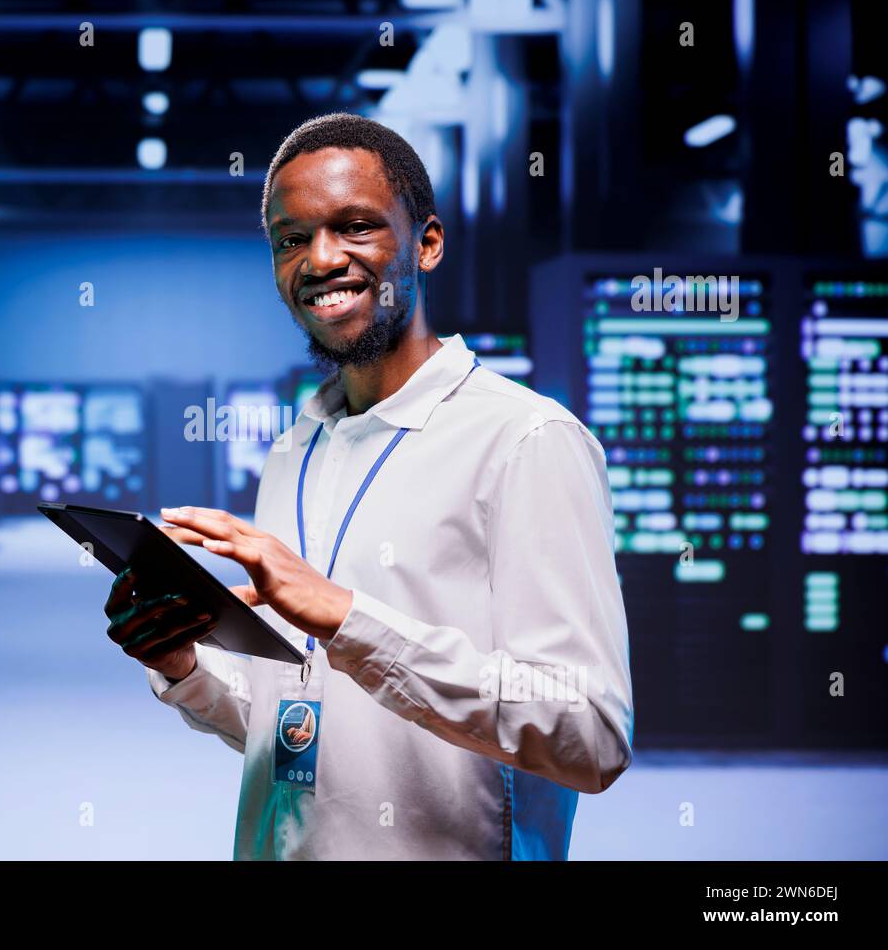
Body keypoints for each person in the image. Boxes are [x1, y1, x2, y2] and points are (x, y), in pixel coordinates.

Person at [103, 113, 634, 860]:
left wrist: (347, 617)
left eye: (355, 227)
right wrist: (183, 664)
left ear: (427, 242)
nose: (320, 259)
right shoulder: (294, 449)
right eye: (291, 240)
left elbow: (592, 733)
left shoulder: (524, 442)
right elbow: (299, 719)